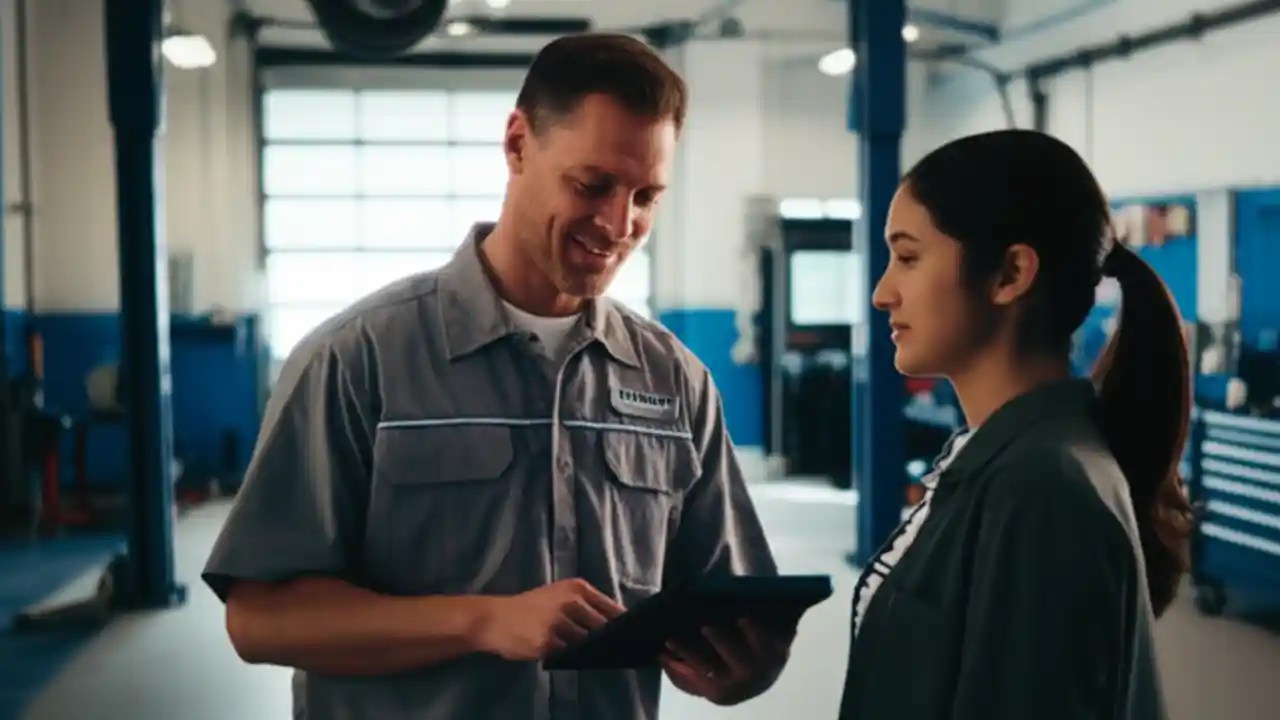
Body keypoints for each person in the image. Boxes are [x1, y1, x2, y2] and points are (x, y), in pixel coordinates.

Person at [203, 33, 794, 720]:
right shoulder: (356, 359)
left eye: (646, 196)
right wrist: (481, 621)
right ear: (517, 145)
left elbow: (725, 607)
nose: (618, 223)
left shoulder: (674, 380)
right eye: (592, 185)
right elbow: (260, 618)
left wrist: (741, 669)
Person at [838, 129, 1193, 720]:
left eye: (908, 257)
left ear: (1009, 274)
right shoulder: (1006, 462)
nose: (882, 293)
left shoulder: (1040, 492)